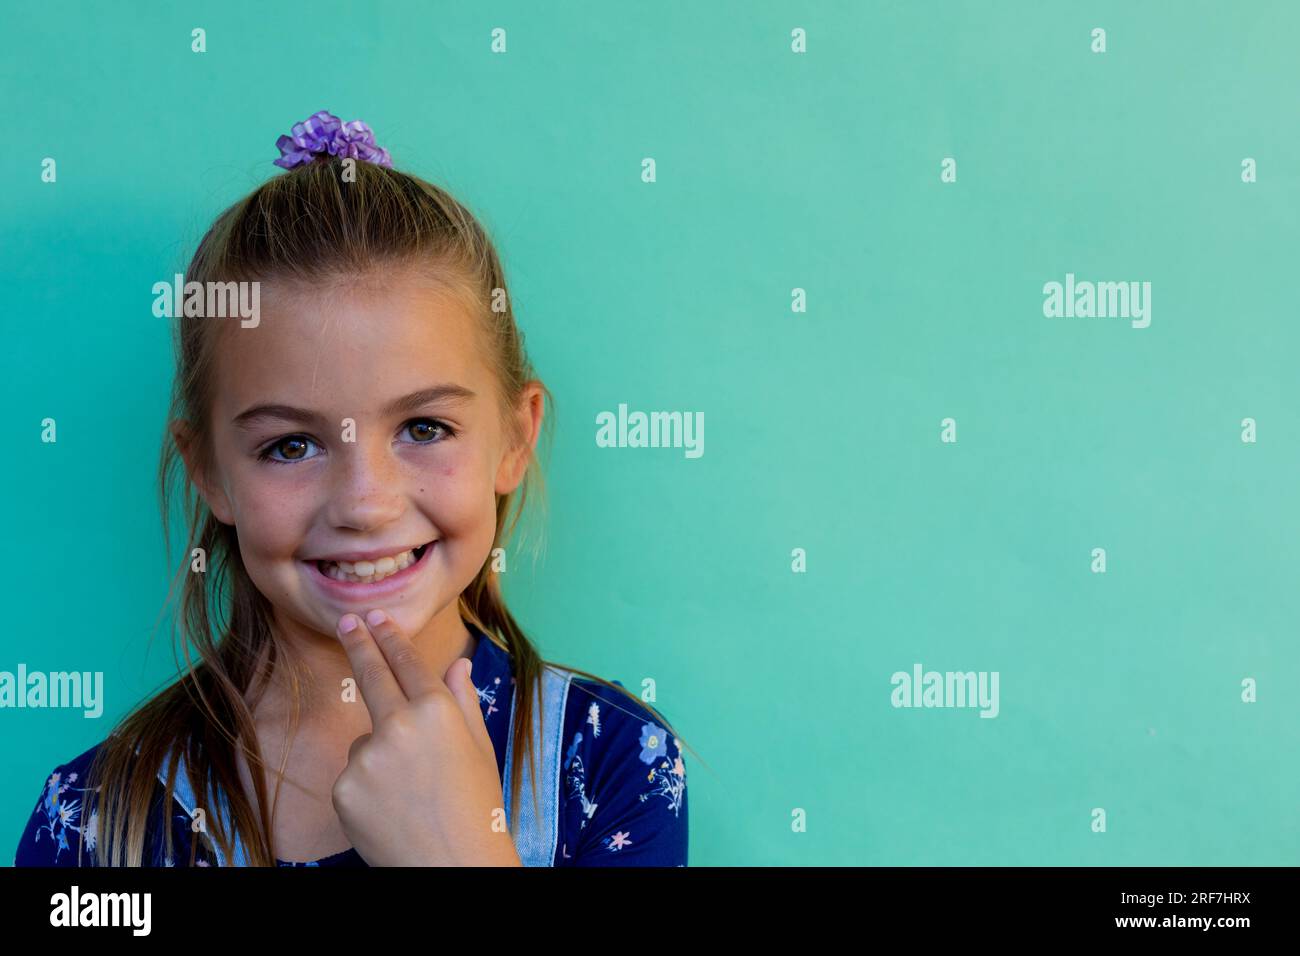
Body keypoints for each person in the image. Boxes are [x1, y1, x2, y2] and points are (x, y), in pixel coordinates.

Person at [14, 110, 690, 867]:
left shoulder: (608, 763)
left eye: (425, 428)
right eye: (291, 445)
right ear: (208, 471)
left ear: (515, 438)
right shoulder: (97, 826)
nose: (365, 504)